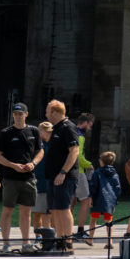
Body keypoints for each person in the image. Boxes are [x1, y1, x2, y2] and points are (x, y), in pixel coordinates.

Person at [0, 104, 43, 251]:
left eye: (20, 113)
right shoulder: (5, 133)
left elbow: (40, 151)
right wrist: (12, 165)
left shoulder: (34, 131)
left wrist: (33, 163)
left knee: (26, 212)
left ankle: (25, 243)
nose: (18, 116)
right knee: (7, 210)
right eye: (15, 114)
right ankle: (6, 243)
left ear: (26, 114)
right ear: (13, 115)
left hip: (28, 177)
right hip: (10, 178)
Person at [40, 101, 81, 248]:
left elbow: (74, 151)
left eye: (48, 111)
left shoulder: (68, 127)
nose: (46, 114)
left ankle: (67, 240)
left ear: (55, 112)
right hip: (52, 176)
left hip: (65, 176)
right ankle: (59, 237)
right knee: (54, 209)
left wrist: (64, 172)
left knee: (64, 208)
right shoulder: (56, 128)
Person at [87, 151, 121, 247]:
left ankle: (90, 239)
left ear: (102, 162)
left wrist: (91, 198)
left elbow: (93, 186)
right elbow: (118, 189)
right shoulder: (115, 174)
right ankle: (109, 242)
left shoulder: (97, 172)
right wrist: (115, 201)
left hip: (97, 199)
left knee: (93, 220)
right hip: (110, 201)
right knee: (108, 221)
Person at [71, 112, 96, 241]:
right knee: (85, 200)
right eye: (90, 125)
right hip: (79, 171)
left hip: (69, 171)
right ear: (86, 123)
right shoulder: (80, 136)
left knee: (72, 200)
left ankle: (65, 229)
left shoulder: (71, 131)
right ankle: (80, 230)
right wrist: (89, 165)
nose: (90, 128)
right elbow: (79, 157)